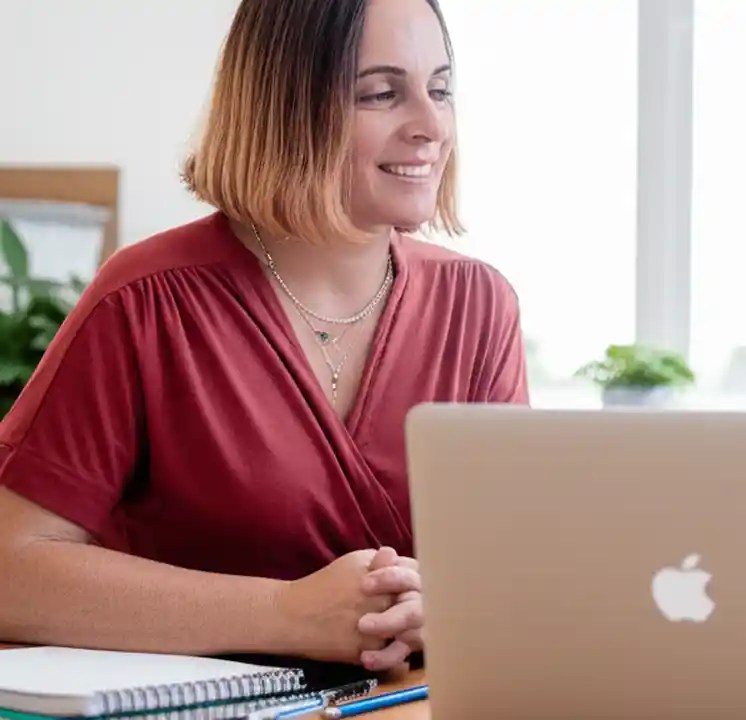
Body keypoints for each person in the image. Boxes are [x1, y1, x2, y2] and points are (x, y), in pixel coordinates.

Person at [0, 0, 527, 673]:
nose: (430, 125)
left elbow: (508, 576)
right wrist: (289, 614)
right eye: (381, 93)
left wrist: (446, 608)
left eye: (441, 89)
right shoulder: (146, 300)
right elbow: (10, 569)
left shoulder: (478, 307)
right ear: (284, 105)